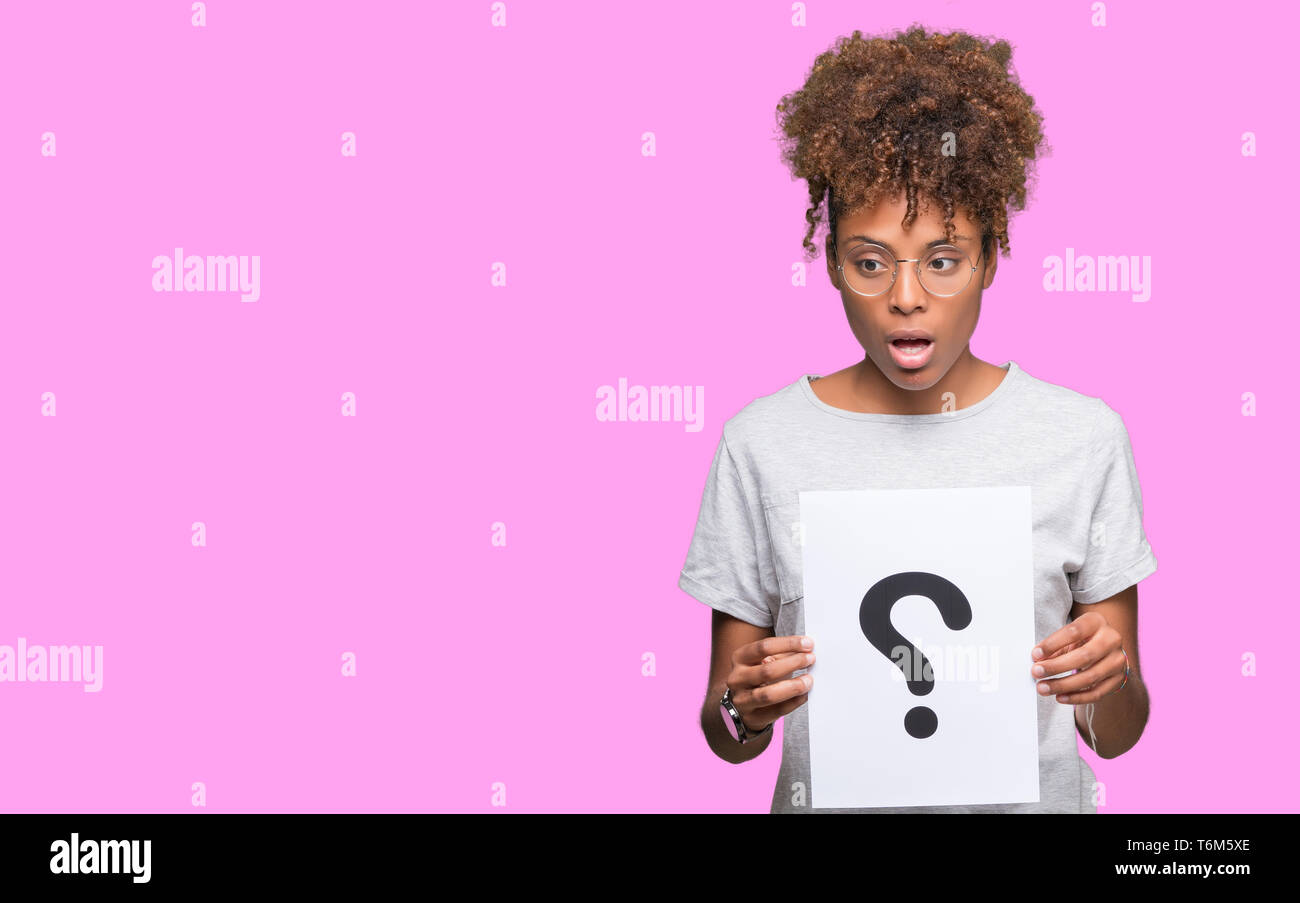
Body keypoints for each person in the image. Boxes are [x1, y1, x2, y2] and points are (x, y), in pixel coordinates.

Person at [678, 25, 1157, 813]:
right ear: (831, 262)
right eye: (872, 261)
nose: (906, 297)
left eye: (943, 259)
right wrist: (744, 705)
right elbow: (727, 732)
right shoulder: (760, 445)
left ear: (992, 255)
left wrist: (1112, 679)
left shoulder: (1083, 439)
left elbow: (1115, 732)